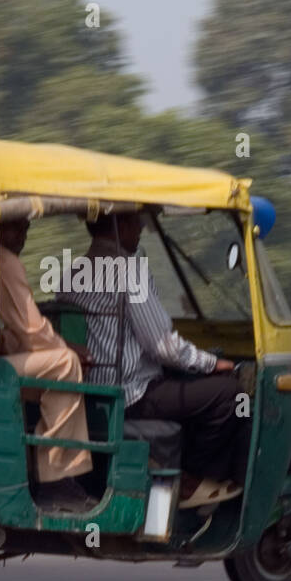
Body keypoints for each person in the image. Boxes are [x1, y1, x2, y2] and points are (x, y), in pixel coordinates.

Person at [58, 210, 249, 508]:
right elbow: (163, 347)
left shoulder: (72, 273)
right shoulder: (128, 271)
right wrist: (213, 363)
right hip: (131, 395)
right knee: (229, 394)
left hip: (94, 393)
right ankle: (191, 482)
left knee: (196, 385)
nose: (143, 230)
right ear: (120, 224)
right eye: (137, 222)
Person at [0, 218, 94, 508]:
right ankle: (54, 478)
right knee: (65, 365)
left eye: (25, 227)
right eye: (14, 226)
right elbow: (32, 329)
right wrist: (67, 349)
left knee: (43, 351)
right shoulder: (3, 260)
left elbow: (19, 333)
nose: (23, 235)